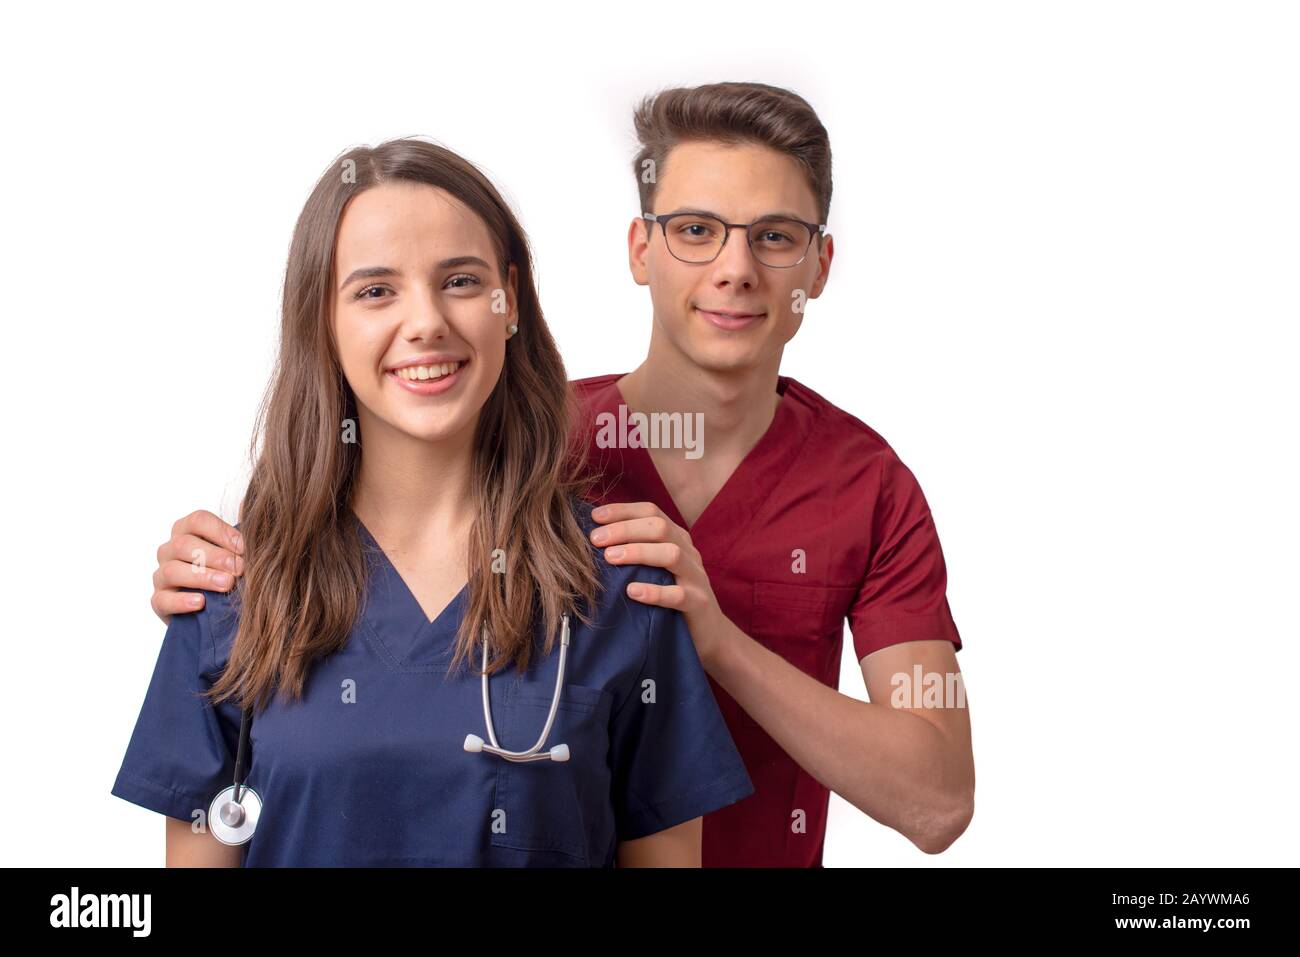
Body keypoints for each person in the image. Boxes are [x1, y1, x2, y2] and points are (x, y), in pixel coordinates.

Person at [149, 82, 974, 867]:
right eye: (695, 229)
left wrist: (715, 639)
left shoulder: (872, 490)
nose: (734, 269)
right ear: (639, 248)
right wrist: (225, 575)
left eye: (775, 235)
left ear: (820, 265)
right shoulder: (523, 437)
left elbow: (938, 799)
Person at [112, 136, 753, 867]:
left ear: (508, 301)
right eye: (376, 290)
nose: (426, 322)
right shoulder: (230, 588)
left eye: (459, 281)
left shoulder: (621, 586)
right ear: (322, 319)